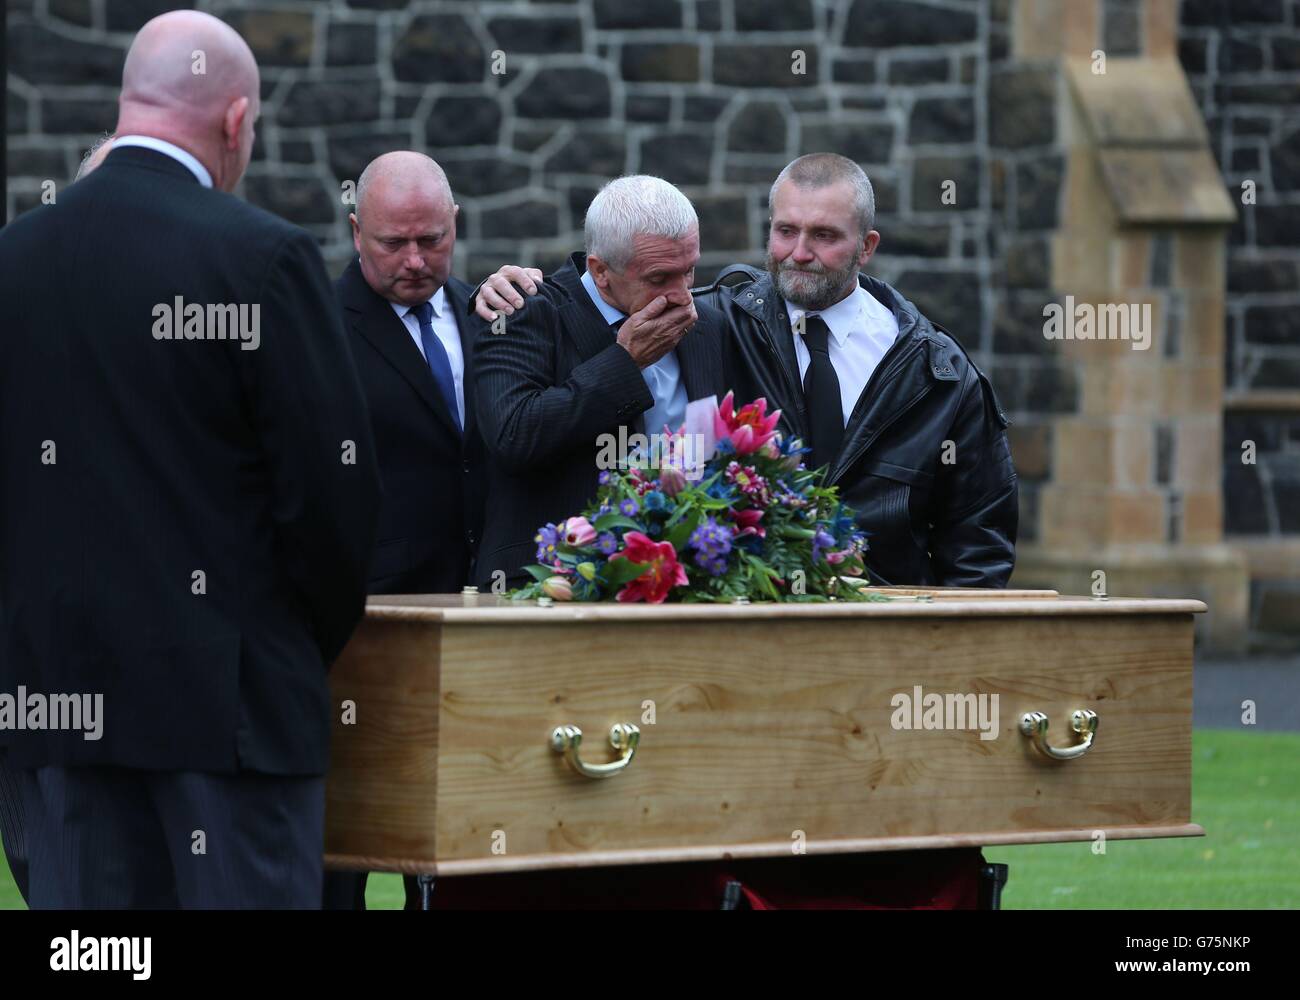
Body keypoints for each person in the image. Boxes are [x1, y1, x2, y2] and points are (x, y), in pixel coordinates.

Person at [0, 10, 380, 908]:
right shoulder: (262, 258)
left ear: (126, 102)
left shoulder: (14, 262)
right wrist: (285, 647)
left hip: (56, 719)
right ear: (237, 119)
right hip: (227, 721)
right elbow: (333, 503)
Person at [696, 152, 1018, 587]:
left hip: (886, 634)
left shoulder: (938, 374)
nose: (799, 253)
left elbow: (978, 546)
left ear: (867, 247)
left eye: (824, 235)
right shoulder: (711, 329)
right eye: (785, 231)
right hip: (739, 626)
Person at [322, 151, 488, 910]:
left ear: (456, 225)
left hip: (482, 624)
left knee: (464, 844)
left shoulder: (489, 314)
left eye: (433, 239)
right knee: (344, 850)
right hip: (365, 632)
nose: (416, 261)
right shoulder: (318, 328)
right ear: (357, 232)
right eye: (395, 243)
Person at [472, 174, 728, 591]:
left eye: (690, 270)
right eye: (660, 278)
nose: (682, 294)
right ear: (601, 271)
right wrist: (624, 363)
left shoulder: (708, 325)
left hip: (684, 585)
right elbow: (513, 436)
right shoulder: (523, 311)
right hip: (550, 584)